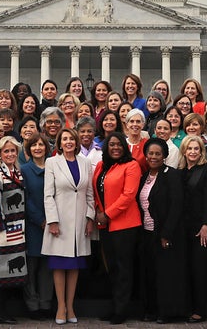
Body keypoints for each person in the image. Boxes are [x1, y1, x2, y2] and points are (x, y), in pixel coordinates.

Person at [43, 127, 96, 325]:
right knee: (59, 265)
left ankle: (71, 306)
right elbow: (48, 195)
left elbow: (89, 194)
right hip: (60, 222)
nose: (68, 142)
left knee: (75, 266)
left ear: (77, 142)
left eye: (71, 139)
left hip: (80, 222)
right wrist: (52, 220)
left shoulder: (85, 162)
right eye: (64, 139)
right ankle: (61, 307)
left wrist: (90, 218)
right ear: (59, 143)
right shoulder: (52, 162)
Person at [92, 131, 142, 324]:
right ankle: (114, 307)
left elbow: (128, 195)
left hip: (125, 225)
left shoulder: (132, 165)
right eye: (112, 144)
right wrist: (99, 211)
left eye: (119, 144)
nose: (115, 147)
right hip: (106, 225)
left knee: (123, 269)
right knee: (111, 267)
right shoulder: (100, 166)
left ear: (124, 147)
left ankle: (122, 310)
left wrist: (107, 214)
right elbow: (97, 191)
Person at [137, 138, 185, 323]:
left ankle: (166, 312)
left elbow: (176, 206)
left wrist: (166, 234)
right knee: (150, 273)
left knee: (165, 275)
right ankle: (151, 310)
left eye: (158, 154)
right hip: (147, 232)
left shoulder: (171, 175)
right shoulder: (144, 176)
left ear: (164, 156)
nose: (154, 157)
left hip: (164, 233)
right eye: (150, 153)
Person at [0, 136, 29, 324]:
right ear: (0, 154)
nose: (10, 154)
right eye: (6, 151)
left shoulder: (18, 173)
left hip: (18, 230)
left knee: (10, 275)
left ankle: (4, 311)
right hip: (1, 232)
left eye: (13, 151)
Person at [178, 134, 207, 323]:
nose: (193, 152)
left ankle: (200, 310)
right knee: (184, 269)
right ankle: (186, 307)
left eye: (196, 149)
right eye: (190, 148)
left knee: (199, 269)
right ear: (184, 151)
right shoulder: (179, 171)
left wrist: (206, 224)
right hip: (182, 228)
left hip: (201, 228)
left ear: (201, 151)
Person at [20, 135, 53, 319]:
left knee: (47, 267)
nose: (38, 148)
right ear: (29, 149)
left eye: (41, 144)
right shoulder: (24, 170)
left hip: (53, 223)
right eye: (34, 145)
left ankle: (46, 303)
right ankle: (32, 305)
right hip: (33, 224)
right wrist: (40, 220)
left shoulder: (53, 167)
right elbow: (24, 198)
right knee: (31, 266)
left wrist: (52, 220)